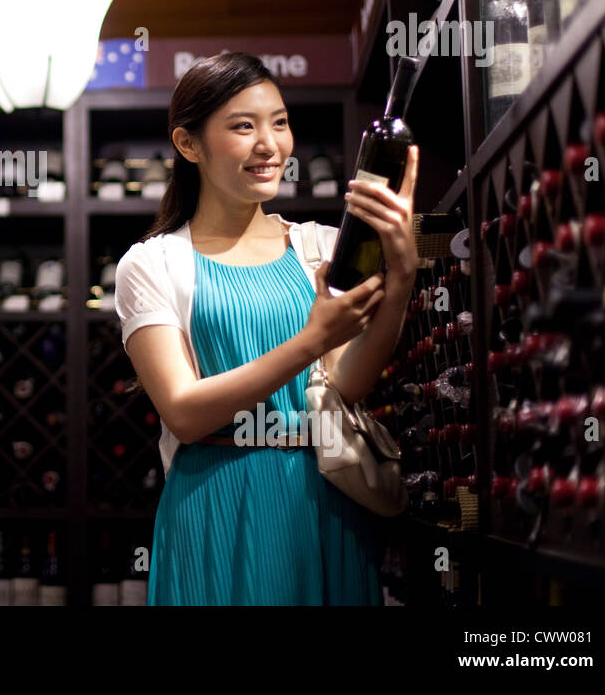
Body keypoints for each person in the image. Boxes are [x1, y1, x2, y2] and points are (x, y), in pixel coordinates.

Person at [116, 52, 418, 605]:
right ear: (189, 145)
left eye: (279, 122)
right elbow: (183, 412)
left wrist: (400, 280)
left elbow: (346, 386)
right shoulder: (152, 263)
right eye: (243, 126)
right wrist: (311, 340)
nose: (270, 145)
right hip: (215, 502)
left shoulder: (320, 246)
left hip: (324, 498)